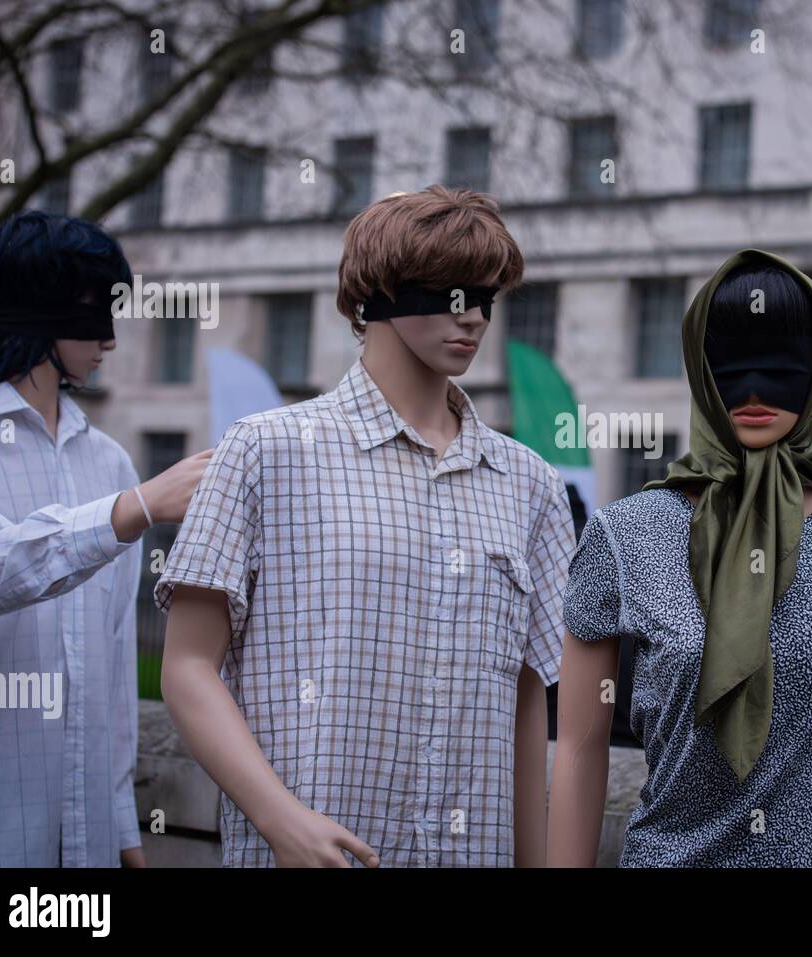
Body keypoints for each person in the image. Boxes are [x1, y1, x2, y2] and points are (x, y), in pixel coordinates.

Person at [157, 186, 576, 867]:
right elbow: (185, 666)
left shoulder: (530, 484)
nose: (472, 317)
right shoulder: (266, 451)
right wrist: (279, 816)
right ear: (377, 293)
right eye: (448, 293)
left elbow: (528, 701)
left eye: (486, 296)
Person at [548, 248, 812, 867]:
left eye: (782, 364)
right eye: (730, 365)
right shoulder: (624, 536)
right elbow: (578, 746)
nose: (756, 389)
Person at [0, 210, 210, 867]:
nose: (113, 341)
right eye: (101, 309)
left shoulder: (108, 463)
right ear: (45, 310)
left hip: (89, 843)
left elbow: (114, 660)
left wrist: (122, 820)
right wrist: (140, 506)